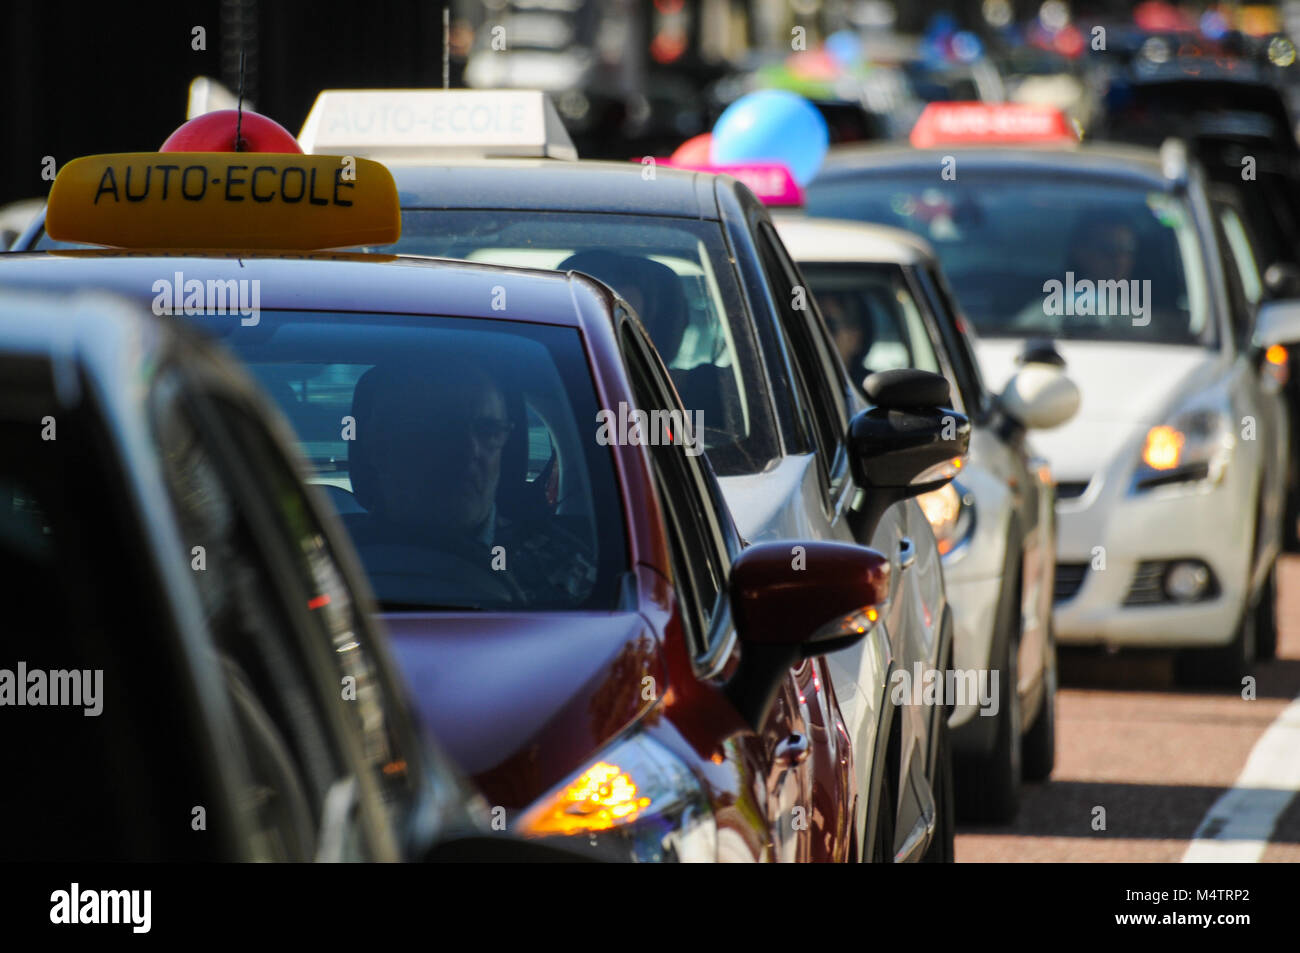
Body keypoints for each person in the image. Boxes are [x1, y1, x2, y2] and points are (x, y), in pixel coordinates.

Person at [347, 359, 596, 606]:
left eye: (488, 431)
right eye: (440, 430)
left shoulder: (564, 570)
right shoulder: (321, 562)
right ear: (377, 447)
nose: (468, 451)